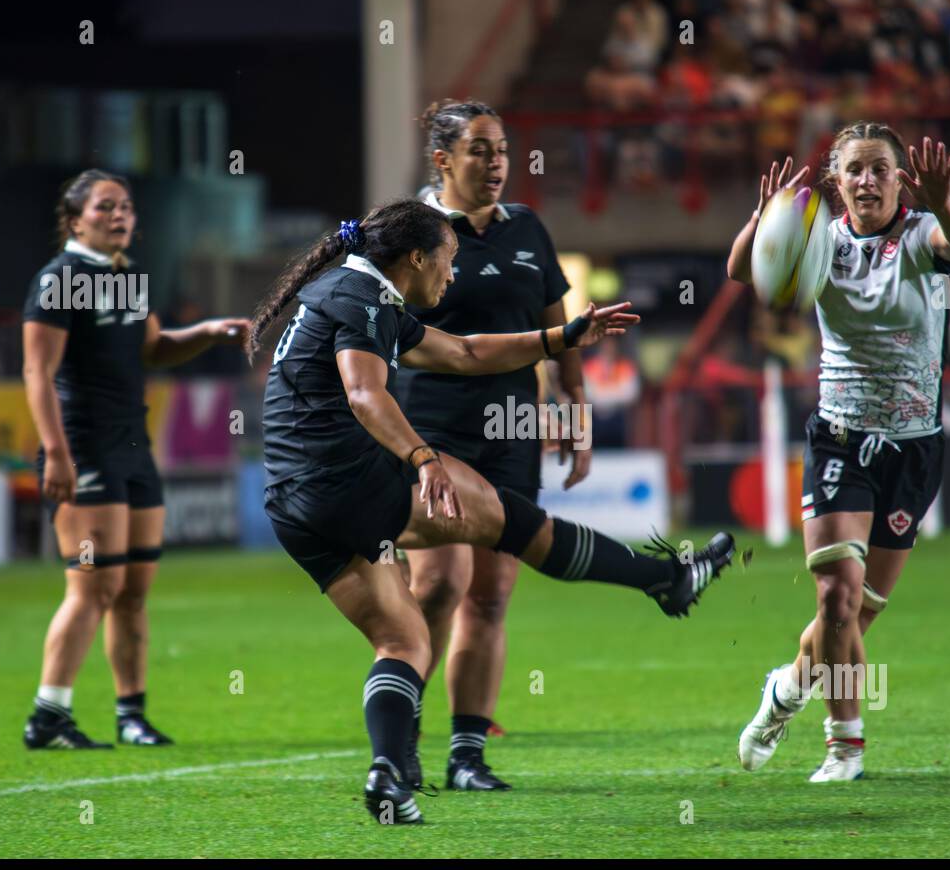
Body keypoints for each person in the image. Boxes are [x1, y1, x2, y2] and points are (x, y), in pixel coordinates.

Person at [248, 198, 734, 823]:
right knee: (514, 523)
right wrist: (423, 459)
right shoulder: (363, 298)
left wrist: (563, 337)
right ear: (416, 257)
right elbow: (364, 392)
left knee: (403, 639)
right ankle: (664, 579)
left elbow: (466, 353)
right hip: (345, 477)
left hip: (291, 503)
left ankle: (388, 773)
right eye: (447, 263)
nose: (452, 277)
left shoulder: (353, 292)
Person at [727, 124, 950, 781]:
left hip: (914, 446)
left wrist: (946, 200)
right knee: (838, 600)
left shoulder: (921, 234)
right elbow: (738, 271)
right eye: (854, 170)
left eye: (880, 169)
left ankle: (784, 689)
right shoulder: (819, 241)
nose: (868, 180)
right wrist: (764, 218)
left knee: (856, 613)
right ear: (835, 183)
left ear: (901, 179)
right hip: (840, 437)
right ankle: (845, 746)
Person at [395, 99, 590, 792]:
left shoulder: (528, 229)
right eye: (479, 150)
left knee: (491, 595)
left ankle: (467, 756)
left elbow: (558, 329)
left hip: (512, 434)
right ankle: (403, 742)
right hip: (431, 431)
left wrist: (575, 411)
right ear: (443, 159)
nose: (496, 162)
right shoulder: (410, 232)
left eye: (501, 149)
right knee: (440, 585)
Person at [22, 169, 249, 749]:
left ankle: (131, 714)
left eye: (125, 206)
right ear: (75, 221)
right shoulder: (61, 279)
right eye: (104, 207)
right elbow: (37, 372)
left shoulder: (128, 278)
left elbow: (154, 348)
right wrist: (56, 453)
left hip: (133, 447)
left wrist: (208, 332)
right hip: (85, 445)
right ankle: (49, 715)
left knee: (132, 593)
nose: (120, 215)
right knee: (93, 587)